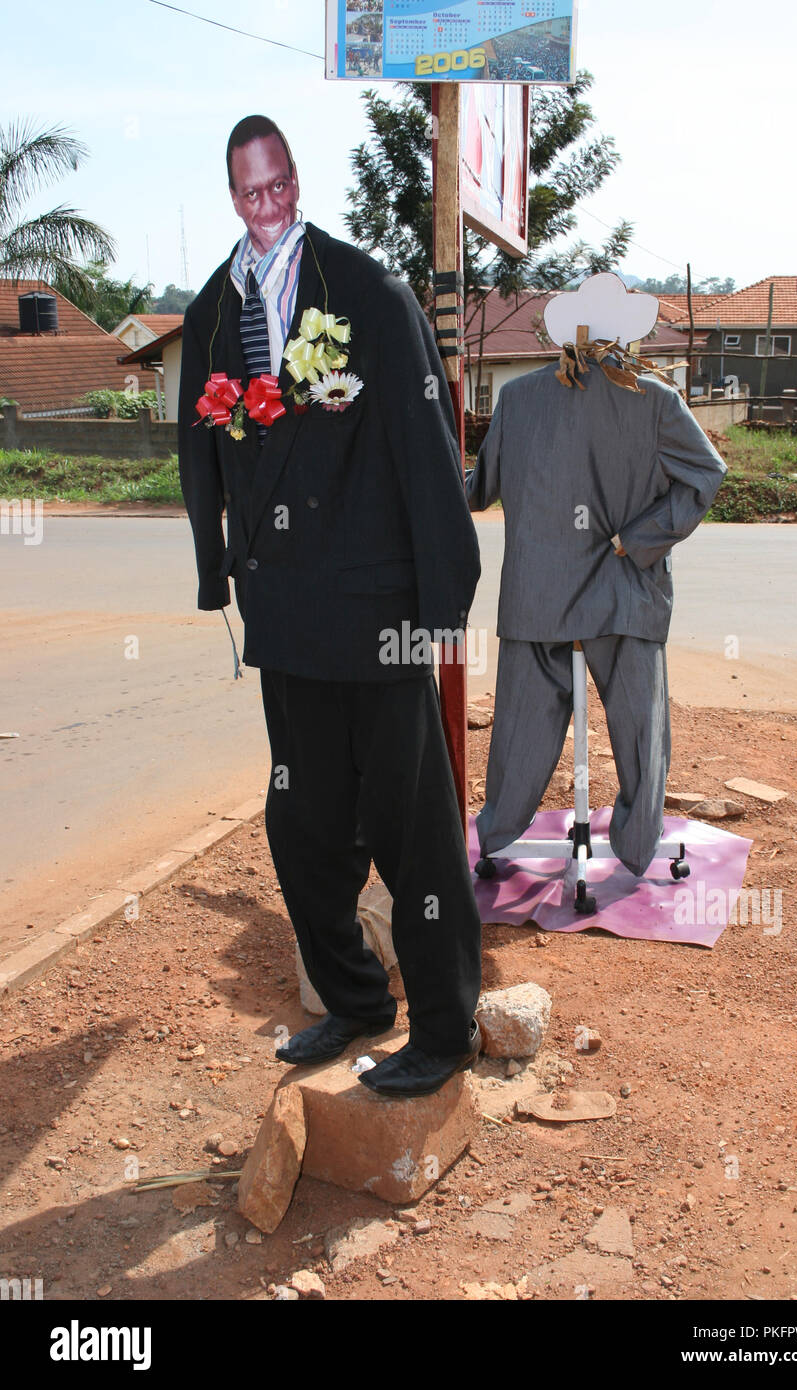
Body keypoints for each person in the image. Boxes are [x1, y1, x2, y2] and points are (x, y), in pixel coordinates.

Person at [178, 115, 482, 1097]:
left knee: (411, 830)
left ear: (295, 183)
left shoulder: (363, 290)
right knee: (300, 823)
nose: (262, 207)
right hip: (284, 612)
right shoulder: (213, 317)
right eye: (244, 192)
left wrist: (444, 598)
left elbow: (425, 443)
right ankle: (353, 997)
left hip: (377, 609)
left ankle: (442, 1027)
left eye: (275, 188)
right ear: (230, 194)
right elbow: (199, 447)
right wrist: (212, 566)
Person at [466, 311, 727, 879]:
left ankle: (498, 834)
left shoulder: (517, 397)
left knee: (522, 723)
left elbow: (476, 491)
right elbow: (707, 474)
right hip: (626, 589)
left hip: (538, 594)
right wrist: (638, 540)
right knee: (639, 726)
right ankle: (637, 848)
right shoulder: (654, 399)